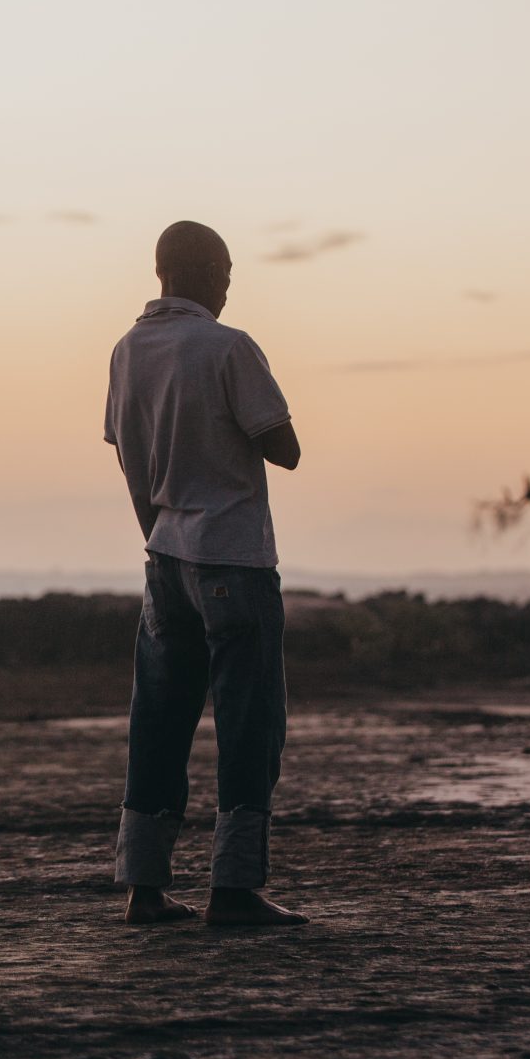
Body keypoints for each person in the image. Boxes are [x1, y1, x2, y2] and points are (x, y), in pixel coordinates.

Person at [105, 220, 308, 927]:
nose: (228, 282)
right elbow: (285, 448)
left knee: (159, 720)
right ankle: (235, 885)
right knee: (251, 721)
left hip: (165, 553)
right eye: (223, 269)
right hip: (233, 554)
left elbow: (129, 456)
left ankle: (144, 883)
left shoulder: (128, 350)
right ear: (198, 270)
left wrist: (157, 533)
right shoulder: (228, 347)